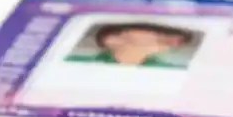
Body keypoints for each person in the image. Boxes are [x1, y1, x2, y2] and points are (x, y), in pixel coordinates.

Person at [67, 22, 195, 68]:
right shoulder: (73, 64)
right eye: (151, 28)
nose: (166, 36)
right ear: (112, 39)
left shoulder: (175, 71)